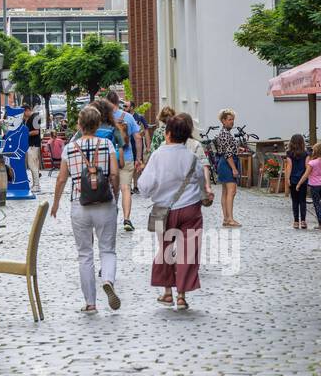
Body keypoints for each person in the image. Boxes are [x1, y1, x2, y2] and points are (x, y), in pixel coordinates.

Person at [51, 105, 121, 313]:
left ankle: (90, 303)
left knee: (85, 255)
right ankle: (108, 279)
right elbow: (115, 175)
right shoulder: (107, 144)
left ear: (79, 125)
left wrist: (55, 203)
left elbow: (62, 178)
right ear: (98, 125)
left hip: (79, 203)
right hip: (104, 203)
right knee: (107, 249)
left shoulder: (69, 148)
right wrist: (114, 195)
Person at [138, 114, 207, 310]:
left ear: (167, 134)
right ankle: (182, 296)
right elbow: (202, 181)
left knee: (165, 248)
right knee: (188, 252)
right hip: (190, 209)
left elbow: (144, 186)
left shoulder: (158, 155)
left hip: (162, 210)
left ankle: (167, 292)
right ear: (187, 137)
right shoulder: (192, 157)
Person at [103, 91, 142, 232]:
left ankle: (111, 216)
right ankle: (127, 219)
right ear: (117, 102)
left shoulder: (102, 118)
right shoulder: (129, 117)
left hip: (107, 159)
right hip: (126, 158)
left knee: (110, 188)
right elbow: (137, 138)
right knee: (126, 188)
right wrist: (139, 158)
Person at [176, 113, 214, 204]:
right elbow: (204, 166)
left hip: (172, 193)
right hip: (191, 193)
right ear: (190, 127)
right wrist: (207, 187)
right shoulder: (195, 144)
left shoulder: (166, 144)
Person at [212, 109, 241, 227]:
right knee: (231, 191)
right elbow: (228, 153)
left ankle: (226, 218)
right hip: (227, 163)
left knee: (225, 192)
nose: (232, 122)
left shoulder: (224, 133)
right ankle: (230, 219)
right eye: (229, 120)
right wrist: (234, 168)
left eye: (233, 119)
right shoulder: (224, 134)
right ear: (223, 121)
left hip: (224, 163)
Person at [282, 134, 310, 230]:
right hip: (303, 180)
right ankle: (303, 221)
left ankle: (295, 221)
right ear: (302, 143)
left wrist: (287, 179)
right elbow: (307, 167)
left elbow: (289, 167)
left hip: (293, 180)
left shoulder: (289, 153)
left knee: (295, 201)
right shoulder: (306, 154)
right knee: (303, 201)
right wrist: (306, 177)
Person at [307, 142, 321, 228]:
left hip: (314, 185)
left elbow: (307, 171)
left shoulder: (312, 162)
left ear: (315, 151)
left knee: (316, 204)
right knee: (319, 203)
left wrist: (299, 183)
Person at [23, 104, 43, 184]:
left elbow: (36, 131)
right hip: (30, 144)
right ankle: (35, 183)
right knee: (32, 164)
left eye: (23, 113)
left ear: (27, 110)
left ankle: (36, 184)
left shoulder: (35, 117)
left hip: (34, 144)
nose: (23, 116)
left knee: (33, 164)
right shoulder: (27, 119)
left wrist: (25, 133)